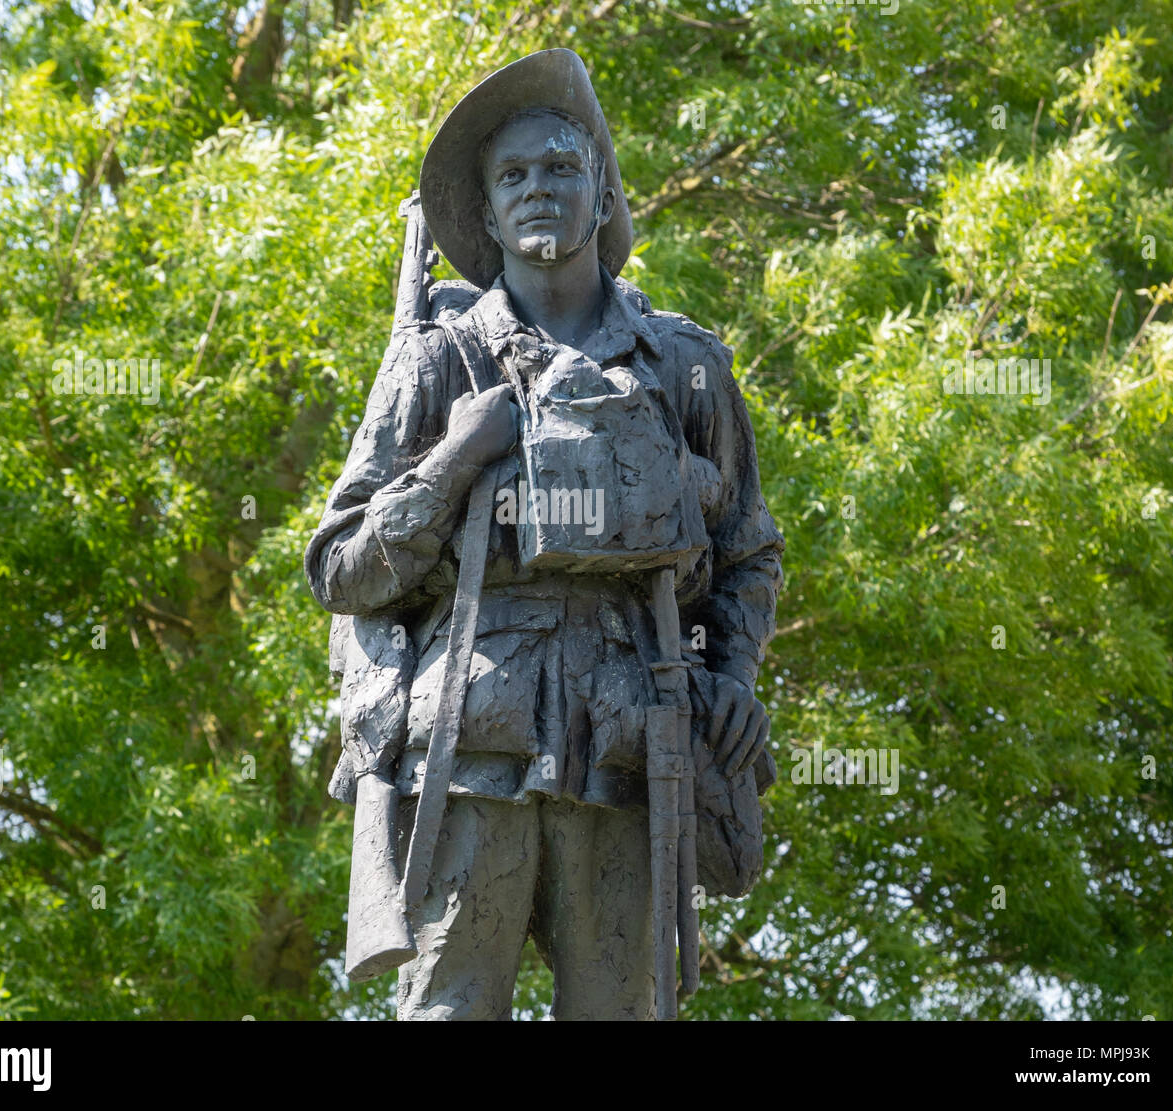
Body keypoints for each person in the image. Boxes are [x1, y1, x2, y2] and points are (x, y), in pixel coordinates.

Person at [305, 48, 784, 1020]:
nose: (537, 190)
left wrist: (730, 674)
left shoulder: (685, 365)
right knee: (448, 1008)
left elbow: (746, 551)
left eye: (560, 168)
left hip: (632, 744)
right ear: (483, 214)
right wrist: (452, 459)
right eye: (512, 176)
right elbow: (341, 566)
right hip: (470, 740)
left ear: (601, 190)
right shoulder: (437, 363)